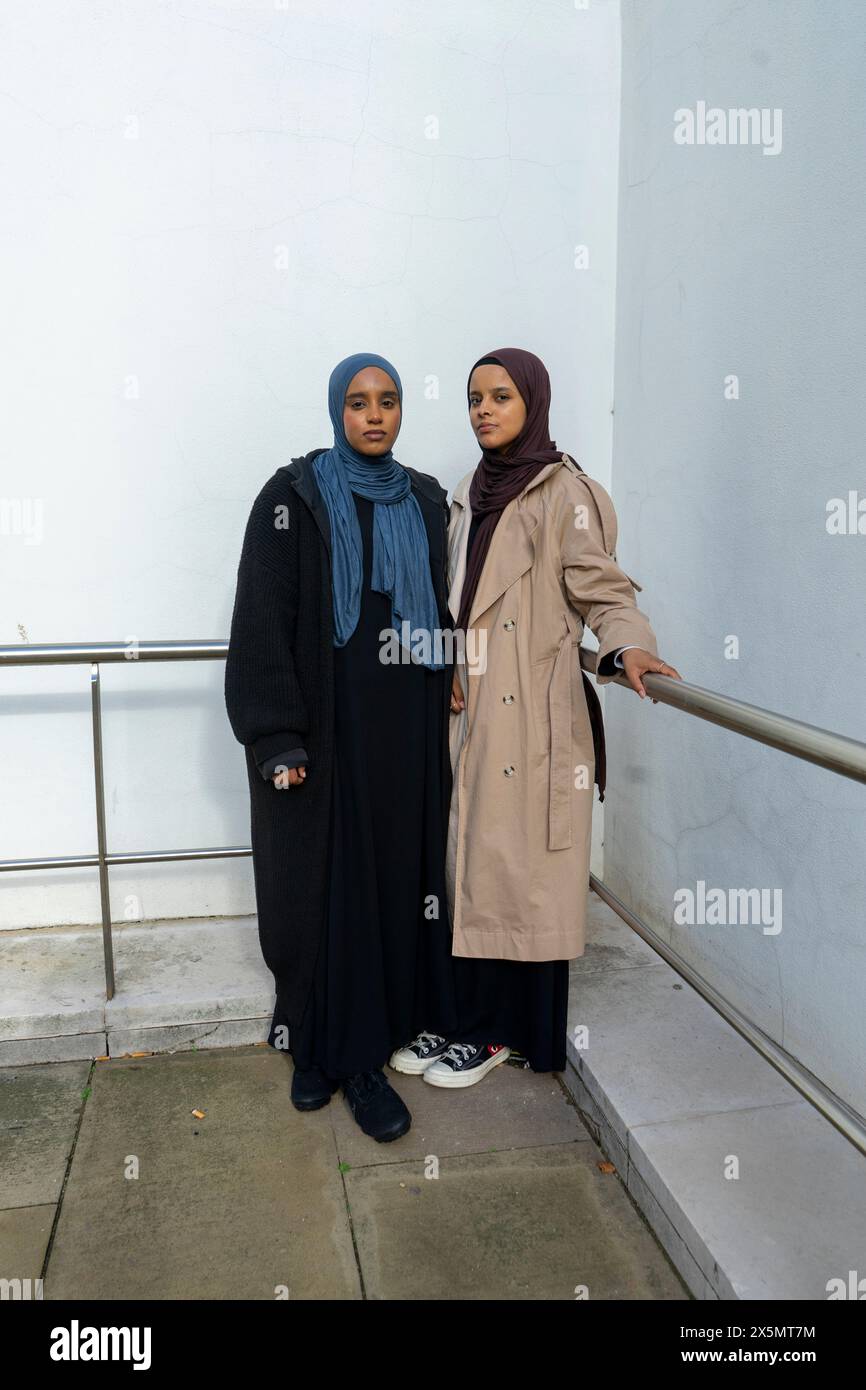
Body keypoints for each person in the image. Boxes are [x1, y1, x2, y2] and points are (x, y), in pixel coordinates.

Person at [396, 347, 682, 1087]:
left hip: (534, 717)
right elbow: (457, 607)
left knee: (518, 876)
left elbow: (602, 590)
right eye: (474, 398)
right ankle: (466, 1021)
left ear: (533, 404)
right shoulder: (470, 494)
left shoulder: (566, 492)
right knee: (474, 869)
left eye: (500, 397)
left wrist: (629, 648)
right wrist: (448, 665)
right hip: (475, 714)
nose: (484, 410)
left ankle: (504, 1033)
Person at [224, 352, 458, 1141]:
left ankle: (354, 1051)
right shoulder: (293, 496)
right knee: (320, 886)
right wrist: (276, 734)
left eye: (388, 401)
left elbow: (442, 607)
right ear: (337, 409)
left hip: (403, 728)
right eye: (358, 402)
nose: (374, 415)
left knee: (388, 885)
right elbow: (260, 619)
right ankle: (325, 1050)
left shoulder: (426, 500)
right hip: (325, 729)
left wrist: (452, 673)